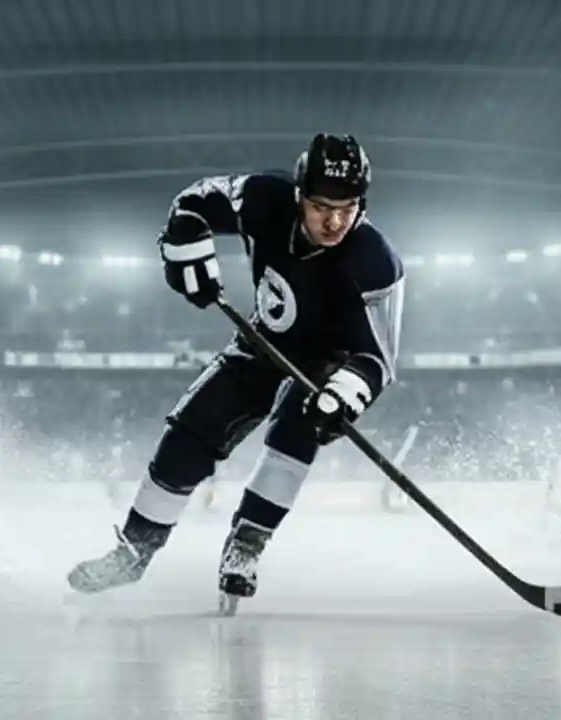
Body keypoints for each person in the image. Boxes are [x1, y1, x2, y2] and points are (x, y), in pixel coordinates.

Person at [66, 133, 405, 603]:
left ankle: (245, 546)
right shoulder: (264, 198)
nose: (333, 221)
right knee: (192, 430)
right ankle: (134, 550)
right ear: (298, 195)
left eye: (347, 208)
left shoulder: (377, 263)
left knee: (295, 438)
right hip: (264, 340)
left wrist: (348, 390)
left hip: (330, 364)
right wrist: (186, 237)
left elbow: (378, 358)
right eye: (322, 206)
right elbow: (195, 201)